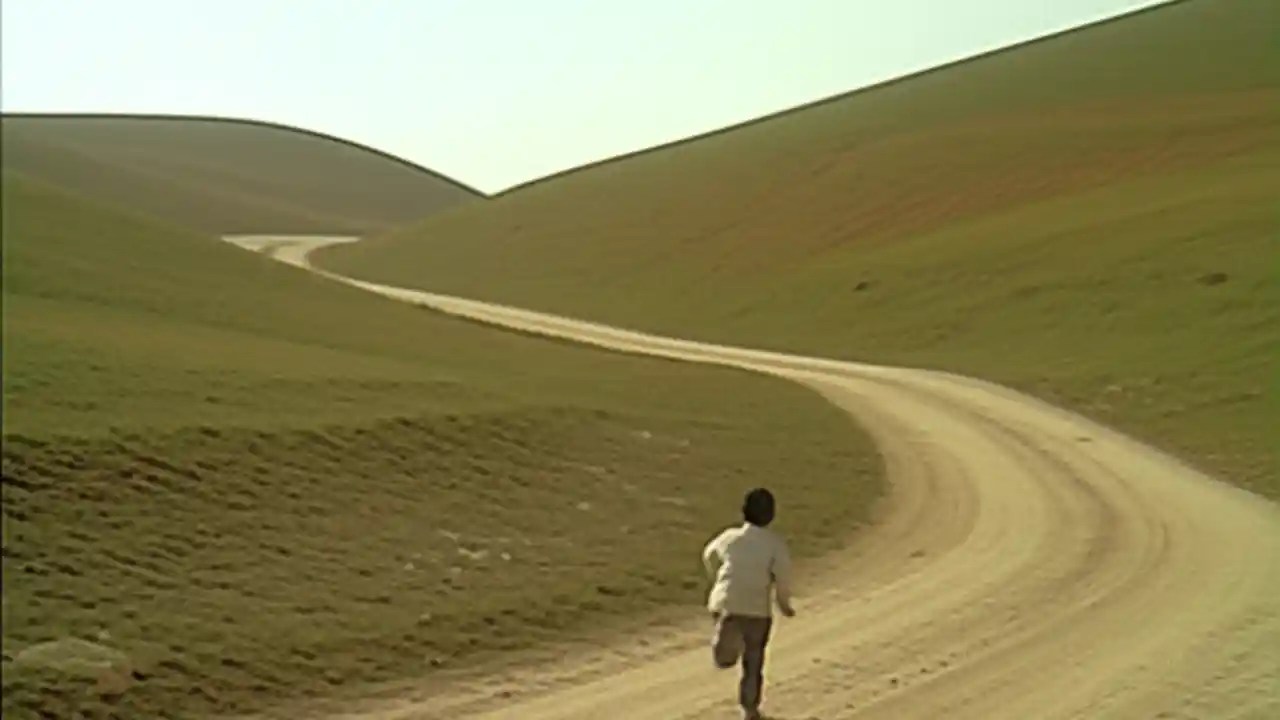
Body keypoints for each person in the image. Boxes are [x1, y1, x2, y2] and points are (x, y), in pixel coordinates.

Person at [702, 487, 794, 720]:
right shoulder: (775, 544)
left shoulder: (729, 537)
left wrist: (717, 579)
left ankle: (726, 643)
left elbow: (709, 555)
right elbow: (783, 576)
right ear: (772, 515)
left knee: (727, 655)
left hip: (727, 601)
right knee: (753, 662)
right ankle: (750, 709)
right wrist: (784, 603)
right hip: (757, 611)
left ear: (743, 512)